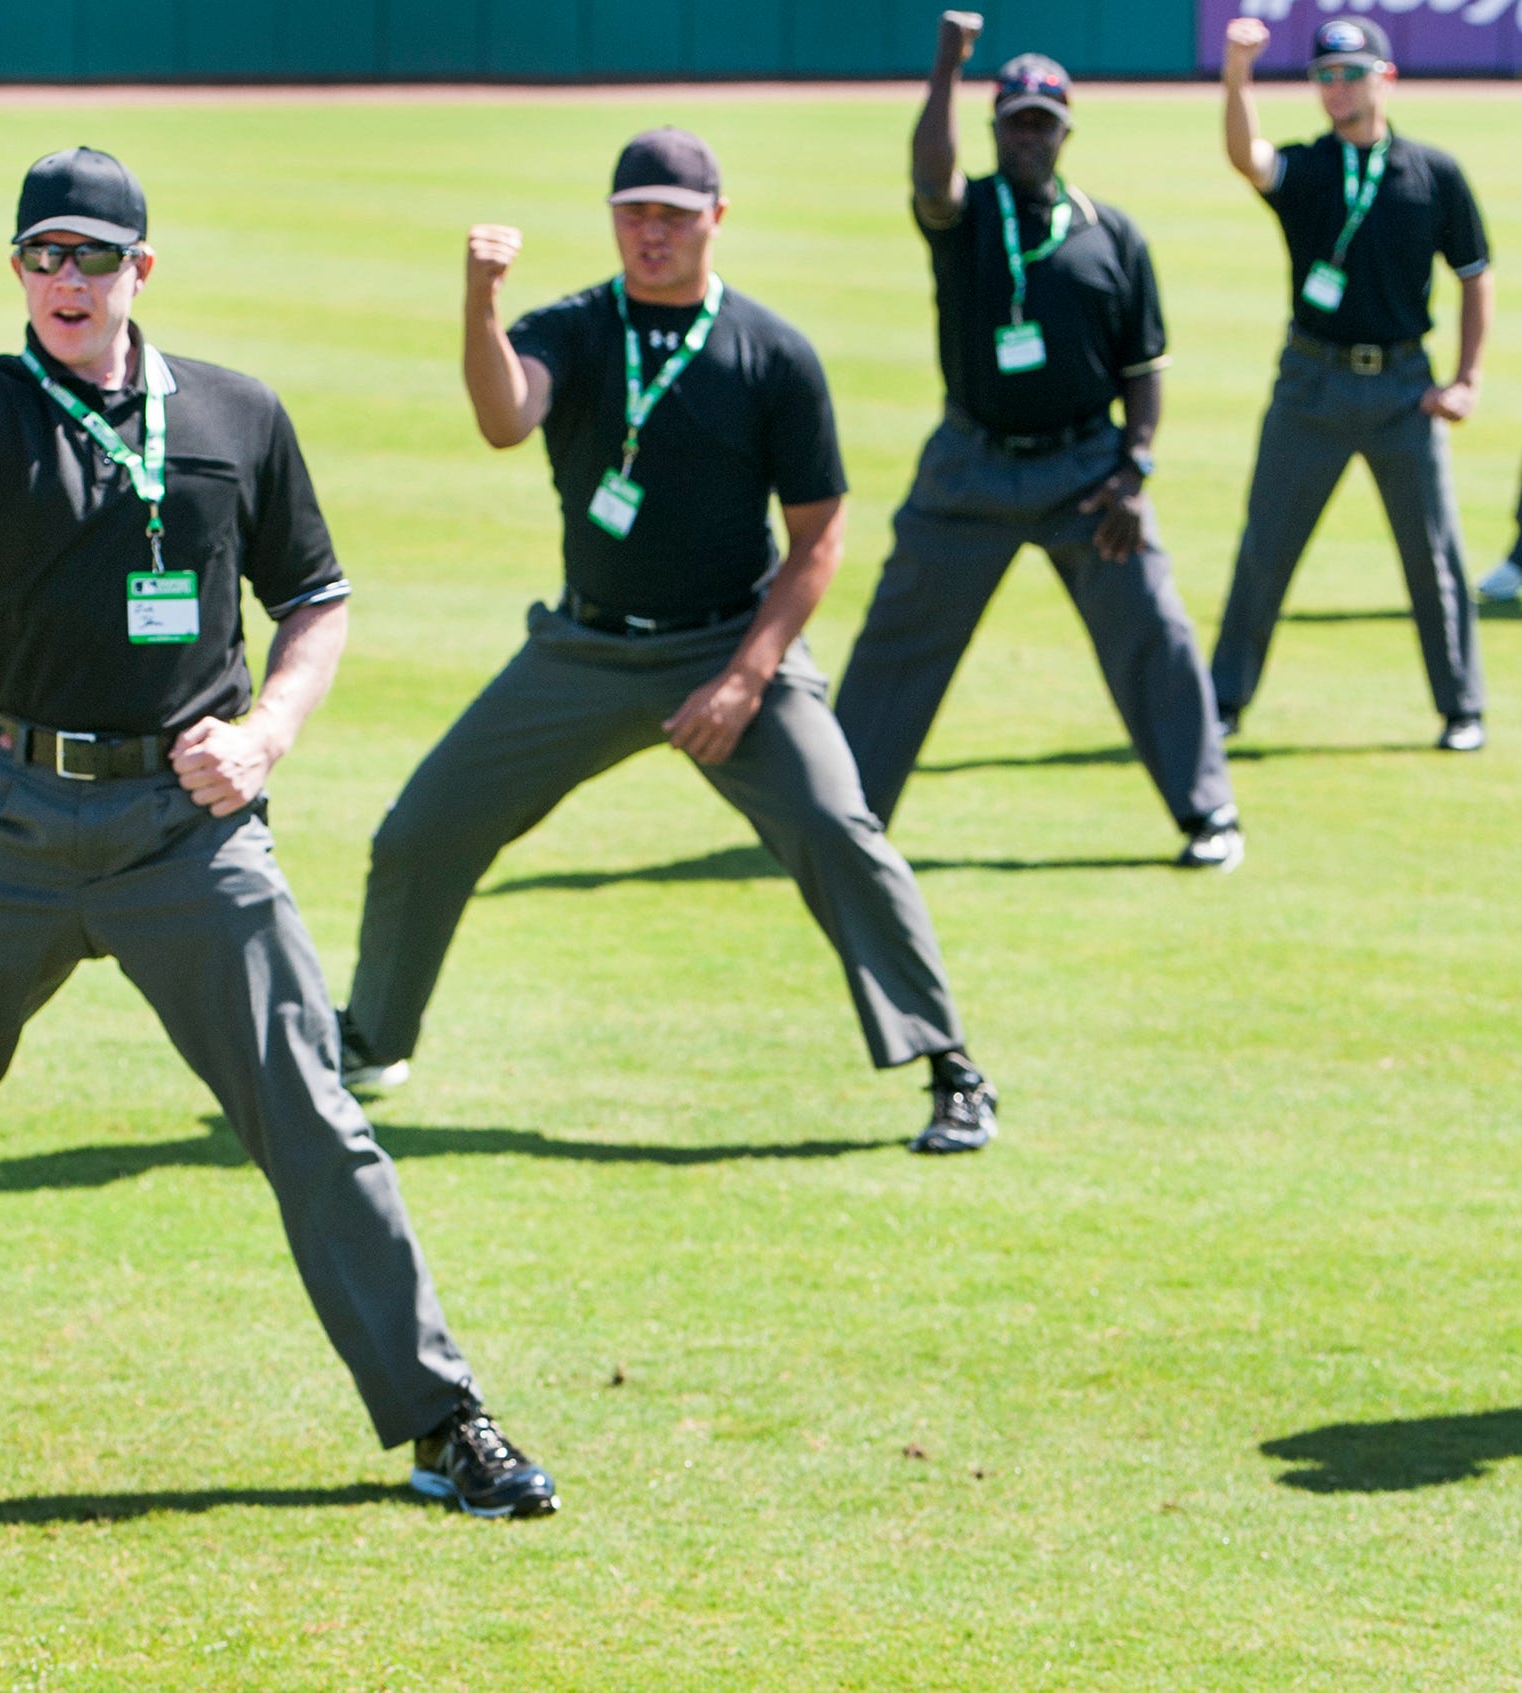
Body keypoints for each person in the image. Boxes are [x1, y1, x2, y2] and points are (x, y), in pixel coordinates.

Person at [0, 146, 558, 1519]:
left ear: (144, 269)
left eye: (93, 254)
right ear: (18, 271)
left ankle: (443, 1418)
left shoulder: (235, 414)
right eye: (42, 255)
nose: (66, 279)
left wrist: (266, 737)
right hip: (4, 819)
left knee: (312, 1119)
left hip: (187, 831)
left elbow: (314, 598)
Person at [335, 128, 999, 1156]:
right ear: (612, 220)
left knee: (838, 829)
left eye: (676, 215)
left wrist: (746, 679)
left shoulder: (771, 353)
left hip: (730, 645)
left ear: (716, 221)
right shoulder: (575, 328)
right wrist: (480, 304)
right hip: (584, 652)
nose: (654, 232)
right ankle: (371, 1040)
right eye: (636, 211)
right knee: (422, 830)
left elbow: (820, 536)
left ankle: (950, 1065)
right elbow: (506, 417)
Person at [835, 18, 1244, 870]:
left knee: (1153, 631)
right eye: (1014, 122)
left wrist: (1135, 469)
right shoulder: (966, 214)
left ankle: (1208, 812)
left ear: (1065, 135)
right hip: (969, 466)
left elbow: (1143, 367)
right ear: (993, 129)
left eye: (1042, 124)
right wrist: (947, 61)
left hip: (1086, 472)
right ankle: (839, 819)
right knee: (896, 640)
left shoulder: (1110, 234)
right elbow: (928, 174)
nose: (1028, 137)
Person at [1212, 14, 1493, 752]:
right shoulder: (1306, 168)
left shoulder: (1432, 172)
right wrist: (1237, 74)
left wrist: (1465, 378)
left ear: (1384, 77)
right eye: (1324, 76)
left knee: (1432, 555)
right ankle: (1222, 702)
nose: (1336, 88)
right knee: (1264, 547)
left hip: (1403, 387)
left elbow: (1474, 275)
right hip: (1310, 382)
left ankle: (1461, 707)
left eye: (1350, 74)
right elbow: (1248, 157)